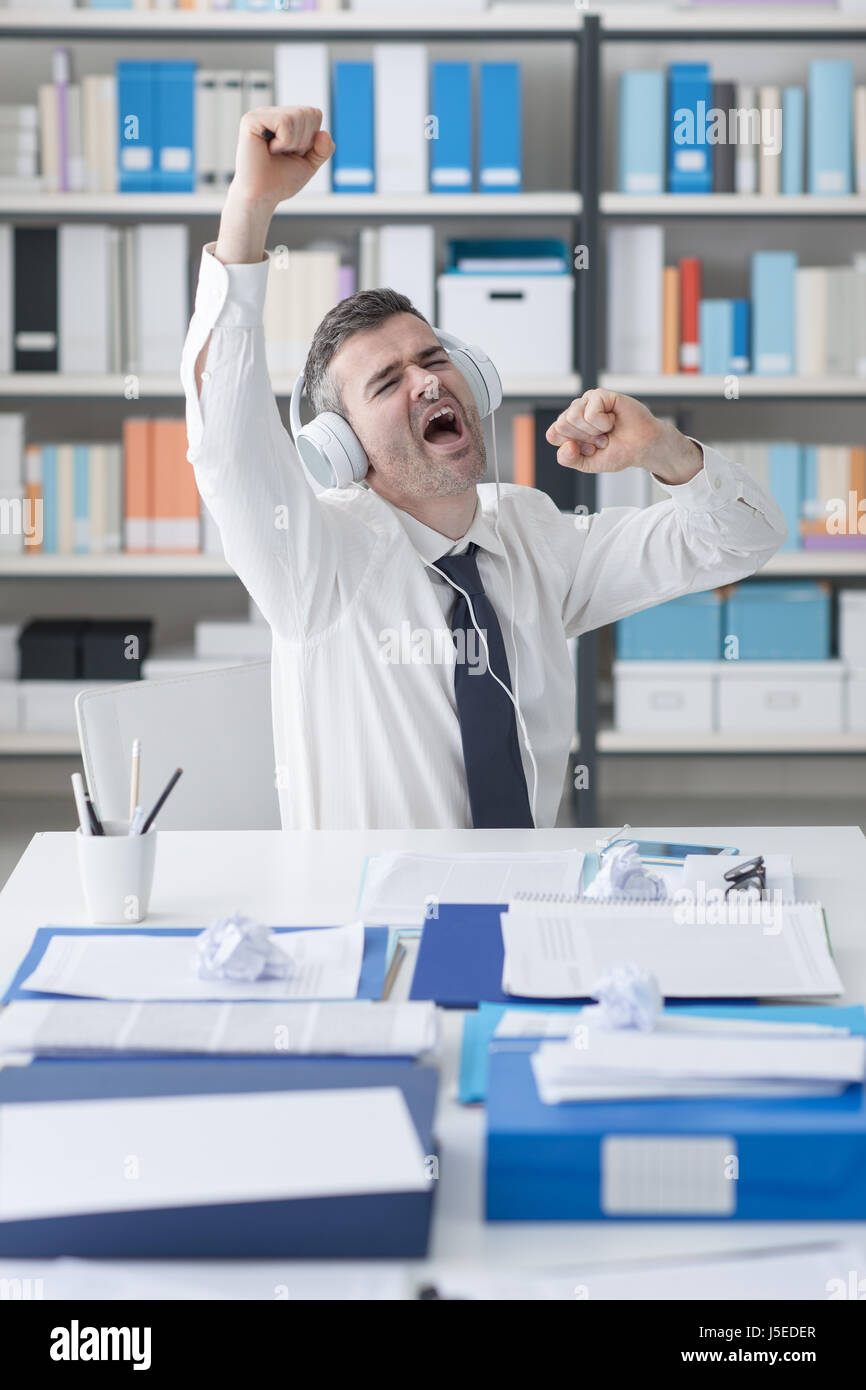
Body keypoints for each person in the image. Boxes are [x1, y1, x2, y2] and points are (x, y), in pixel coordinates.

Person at [180, 105, 786, 831]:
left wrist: (661, 448)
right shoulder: (317, 562)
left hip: (530, 912)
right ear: (340, 447)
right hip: (377, 929)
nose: (428, 382)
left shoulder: (530, 532)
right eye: (387, 382)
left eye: (434, 360)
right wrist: (250, 209)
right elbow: (226, 446)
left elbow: (743, 540)